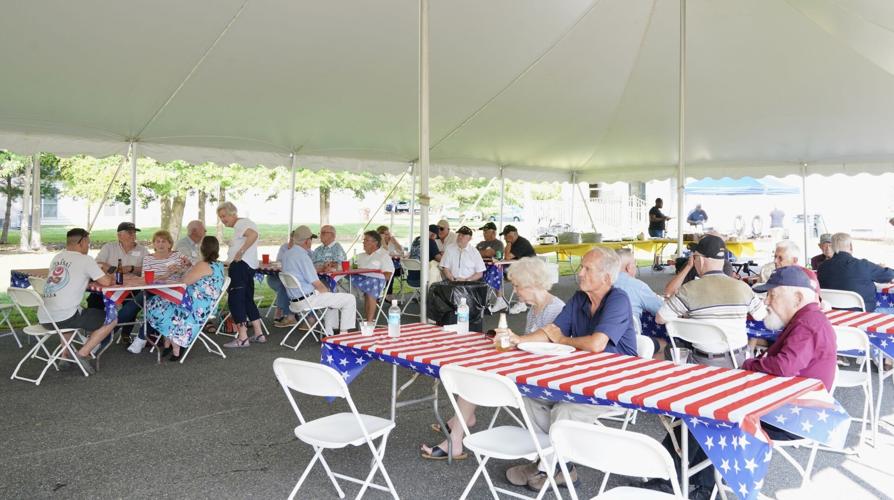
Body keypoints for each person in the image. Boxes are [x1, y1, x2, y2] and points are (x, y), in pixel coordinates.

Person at [643, 266, 836, 498]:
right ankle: (683, 477)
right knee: (706, 406)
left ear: (797, 298)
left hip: (794, 414)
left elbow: (784, 366)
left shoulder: (807, 324)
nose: (767, 301)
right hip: (790, 403)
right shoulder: (809, 319)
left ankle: (692, 484)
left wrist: (749, 365)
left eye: (773, 295)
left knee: (707, 410)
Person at [496, 247, 638, 491]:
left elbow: (595, 344)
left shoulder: (618, 299)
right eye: (581, 267)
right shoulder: (580, 298)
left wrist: (563, 340)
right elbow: (552, 330)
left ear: (606, 277)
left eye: (586, 269)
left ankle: (547, 466)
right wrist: (519, 339)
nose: (579, 273)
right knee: (530, 396)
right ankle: (558, 466)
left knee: (564, 410)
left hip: (615, 384)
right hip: (582, 377)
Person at [420, 257, 565, 462]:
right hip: (530, 366)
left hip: (541, 376)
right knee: (476, 371)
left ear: (532, 285)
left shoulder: (555, 309)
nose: (514, 290)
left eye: (517, 286)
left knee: (477, 374)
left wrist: (513, 342)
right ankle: (461, 425)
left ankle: (458, 432)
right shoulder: (538, 306)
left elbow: (549, 349)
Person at [656, 234, 766, 368]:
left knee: (668, 350)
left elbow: (660, 318)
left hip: (701, 364)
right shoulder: (743, 288)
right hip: (739, 363)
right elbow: (761, 315)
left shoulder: (689, 289)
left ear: (701, 260)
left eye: (695, 257)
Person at [39, 228, 117, 375]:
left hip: (45, 316)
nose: (89, 246)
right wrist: (109, 273)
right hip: (64, 317)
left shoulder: (57, 257)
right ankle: (82, 353)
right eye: (88, 242)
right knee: (112, 319)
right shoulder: (85, 260)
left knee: (72, 312)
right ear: (82, 242)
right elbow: (106, 282)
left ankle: (64, 355)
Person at [146, 236, 226, 362]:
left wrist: (178, 272)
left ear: (202, 249)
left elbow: (184, 282)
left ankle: (175, 343)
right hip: (207, 305)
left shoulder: (203, 265)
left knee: (155, 304)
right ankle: (169, 341)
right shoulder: (219, 265)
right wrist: (187, 268)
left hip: (196, 307)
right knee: (161, 301)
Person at [281, 225, 357, 336]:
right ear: (307, 241)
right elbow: (316, 283)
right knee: (349, 299)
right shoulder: (303, 256)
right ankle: (343, 334)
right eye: (311, 239)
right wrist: (327, 294)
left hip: (294, 300)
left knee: (331, 297)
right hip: (307, 299)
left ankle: (329, 332)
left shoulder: (287, 254)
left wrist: (328, 295)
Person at [126, 230, 192, 354]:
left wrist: (183, 267)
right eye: (157, 241)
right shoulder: (148, 259)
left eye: (164, 241)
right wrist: (166, 275)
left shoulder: (177, 256)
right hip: (153, 289)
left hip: (173, 292)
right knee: (133, 305)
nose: (160, 244)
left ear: (169, 244)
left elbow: (189, 272)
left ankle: (140, 339)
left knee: (156, 306)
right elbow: (146, 279)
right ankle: (110, 332)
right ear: (154, 244)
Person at [217, 202, 265, 348]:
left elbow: (253, 235)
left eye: (224, 216)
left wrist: (240, 252)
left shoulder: (240, 224)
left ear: (233, 213)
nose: (223, 220)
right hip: (248, 266)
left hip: (240, 266)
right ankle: (258, 333)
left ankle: (243, 338)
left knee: (236, 300)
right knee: (247, 299)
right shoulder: (245, 223)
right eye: (221, 217)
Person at [92, 221, 150, 343]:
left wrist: (131, 268)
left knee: (133, 301)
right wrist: (114, 269)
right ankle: (96, 331)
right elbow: (97, 263)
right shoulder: (109, 247)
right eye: (129, 233)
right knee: (94, 299)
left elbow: (148, 268)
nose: (133, 235)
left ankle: (125, 333)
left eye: (134, 232)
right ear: (119, 235)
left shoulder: (142, 250)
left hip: (131, 286)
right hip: (109, 283)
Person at [817, 232, 894, 312]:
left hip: (832, 312)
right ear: (851, 246)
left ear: (832, 247)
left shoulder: (822, 267)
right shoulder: (863, 265)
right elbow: (890, 275)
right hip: (862, 313)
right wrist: (880, 268)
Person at [614, 248, 663, 357]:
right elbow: (662, 310)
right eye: (635, 265)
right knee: (663, 343)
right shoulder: (637, 286)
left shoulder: (600, 283)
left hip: (599, 336)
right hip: (629, 340)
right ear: (629, 267)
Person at [354, 230, 395, 322]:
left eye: (366, 240)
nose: (363, 242)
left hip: (376, 285)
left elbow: (388, 275)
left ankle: (369, 322)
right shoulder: (360, 256)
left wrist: (372, 275)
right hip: (359, 284)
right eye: (364, 240)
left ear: (375, 242)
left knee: (371, 285)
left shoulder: (383, 255)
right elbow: (350, 268)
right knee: (339, 285)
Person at [269, 228, 306, 327]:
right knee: (284, 283)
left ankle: (285, 313)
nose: (293, 240)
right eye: (292, 238)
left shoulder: (303, 250)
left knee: (285, 285)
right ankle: (287, 312)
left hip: (293, 280)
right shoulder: (284, 247)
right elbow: (279, 262)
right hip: (277, 276)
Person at [376, 225, 404, 297]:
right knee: (389, 270)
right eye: (386, 234)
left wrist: (395, 242)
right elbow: (386, 252)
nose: (389, 236)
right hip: (379, 266)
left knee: (390, 270)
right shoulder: (377, 243)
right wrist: (382, 240)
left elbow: (401, 252)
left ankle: (388, 294)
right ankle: (387, 294)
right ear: (380, 235)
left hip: (393, 266)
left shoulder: (391, 241)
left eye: (389, 233)